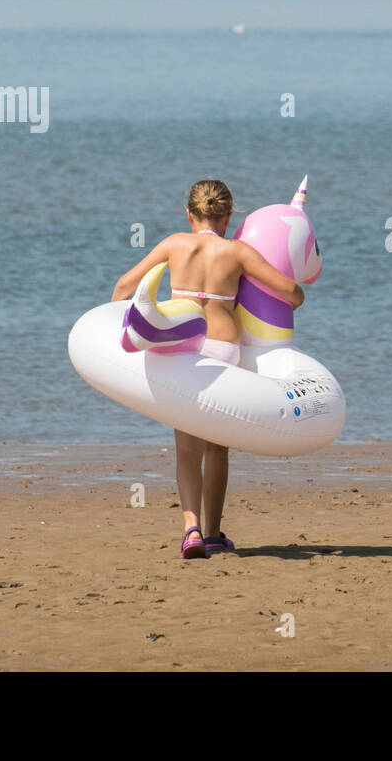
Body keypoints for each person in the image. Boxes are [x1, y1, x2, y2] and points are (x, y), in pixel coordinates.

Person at [112, 179, 304, 558]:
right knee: (218, 447)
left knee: (186, 449)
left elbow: (123, 287)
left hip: (180, 348)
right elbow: (292, 292)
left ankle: (192, 531)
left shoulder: (174, 243)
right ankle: (215, 533)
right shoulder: (238, 251)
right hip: (221, 349)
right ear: (229, 216)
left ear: (189, 214)